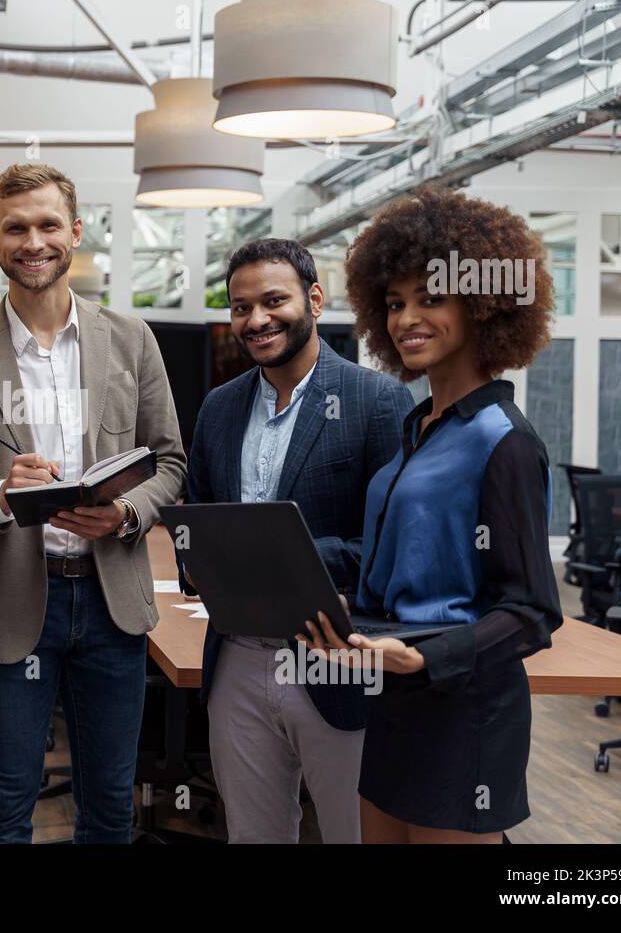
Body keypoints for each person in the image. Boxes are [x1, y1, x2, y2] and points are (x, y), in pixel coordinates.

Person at [0, 162, 186, 843]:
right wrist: (3, 495)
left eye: (45, 224)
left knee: (108, 809)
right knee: (6, 810)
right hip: (12, 608)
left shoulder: (131, 340)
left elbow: (170, 461)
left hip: (111, 602)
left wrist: (125, 513)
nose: (31, 241)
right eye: (15, 228)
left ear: (75, 230)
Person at [300, 186, 563, 842]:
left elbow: (531, 612)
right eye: (393, 303)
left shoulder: (503, 441)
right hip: (393, 700)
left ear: (482, 307)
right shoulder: (418, 431)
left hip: (464, 710)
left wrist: (428, 657)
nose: (405, 318)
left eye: (430, 298)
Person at [184, 238, 413, 843]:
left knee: (352, 833)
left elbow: (392, 548)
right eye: (240, 307)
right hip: (235, 658)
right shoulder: (218, 408)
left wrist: (284, 555)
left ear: (314, 298)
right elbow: (200, 521)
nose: (256, 319)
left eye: (273, 300)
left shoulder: (376, 399)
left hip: (337, 656)